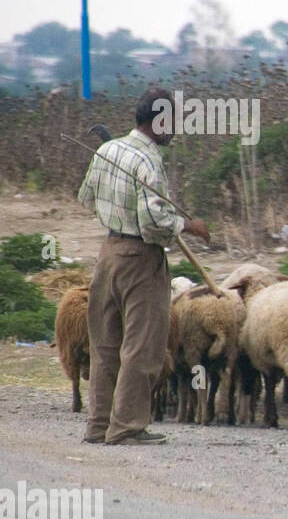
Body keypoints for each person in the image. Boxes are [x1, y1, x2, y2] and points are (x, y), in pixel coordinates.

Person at [76, 88, 210, 444]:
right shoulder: (148, 161)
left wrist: (116, 218)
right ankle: (127, 427)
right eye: (173, 123)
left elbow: (85, 197)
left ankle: (99, 425)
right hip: (141, 258)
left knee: (105, 343)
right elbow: (152, 220)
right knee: (142, 345)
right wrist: (187, 226)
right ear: (160, 121)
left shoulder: (107, 149)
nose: (175, 130)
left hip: (108, 252)